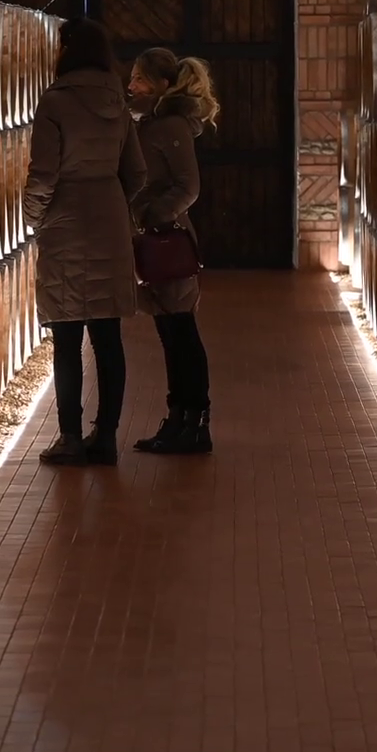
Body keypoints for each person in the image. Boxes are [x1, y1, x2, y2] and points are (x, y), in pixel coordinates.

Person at [24, 18, 147, 466]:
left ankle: (71, 438)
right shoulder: (118, 99)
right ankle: (107, 436)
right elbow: (137, 173)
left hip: (65, 222)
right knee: (108, 336)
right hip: (109, 220)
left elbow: (43, 173)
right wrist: (113, 202)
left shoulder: (55, 101)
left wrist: (33, 219)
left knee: (66, 335)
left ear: (67, 50)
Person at [126, 47, 218, 455]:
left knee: (182, 333)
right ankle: (179, 418)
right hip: (154, 237)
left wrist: (151, 214)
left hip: (170, 239)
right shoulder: (151, 123)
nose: (132, 86)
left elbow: (188, 186)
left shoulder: (172, 126)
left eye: (140, 80)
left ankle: (195, 422)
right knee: (170, 333)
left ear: (163, 85)